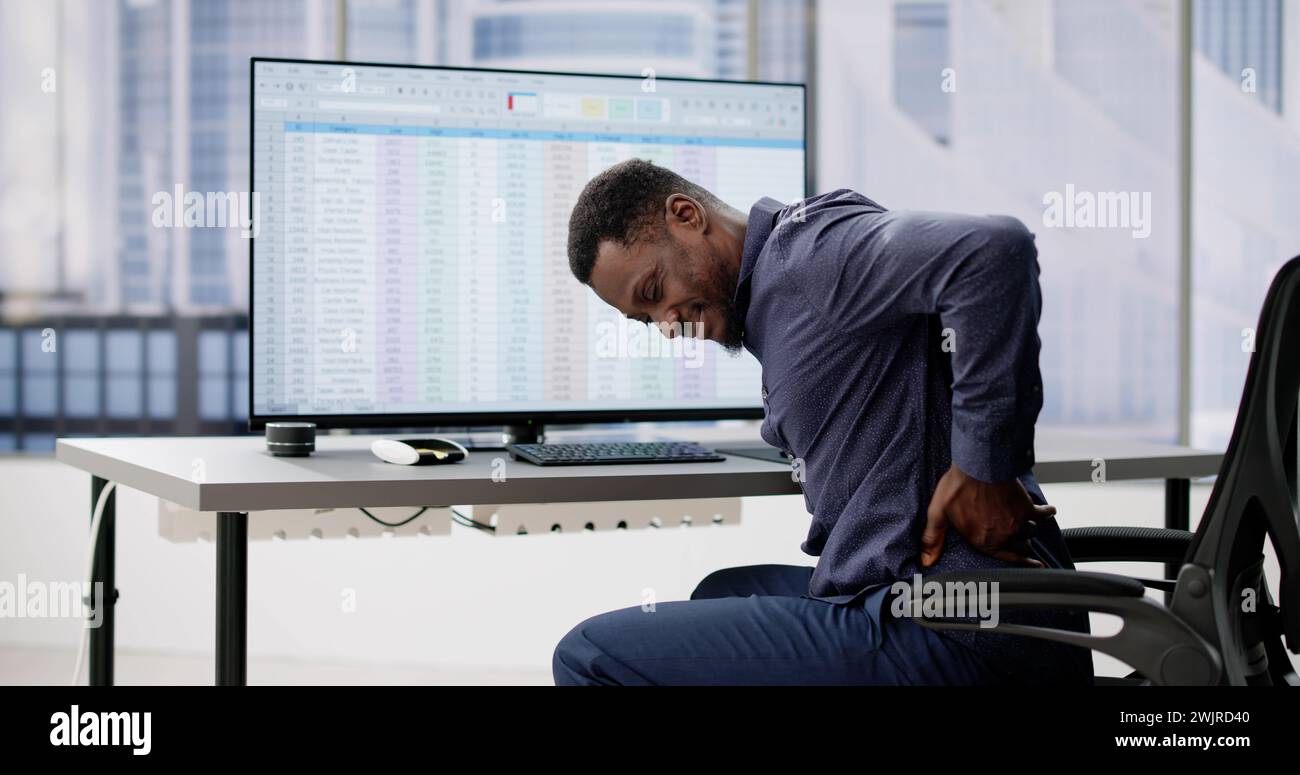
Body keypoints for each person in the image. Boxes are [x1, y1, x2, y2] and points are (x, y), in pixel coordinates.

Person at [552, 159, 1093, 685]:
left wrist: (987, 470)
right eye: (645, 321)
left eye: (654, 292)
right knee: (720, 592)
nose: (666, 325)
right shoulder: (773, 295)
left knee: (588, 655)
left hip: (961, 631)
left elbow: (993, 252)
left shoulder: (809, 253)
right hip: (919, 599)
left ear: (687, 216)